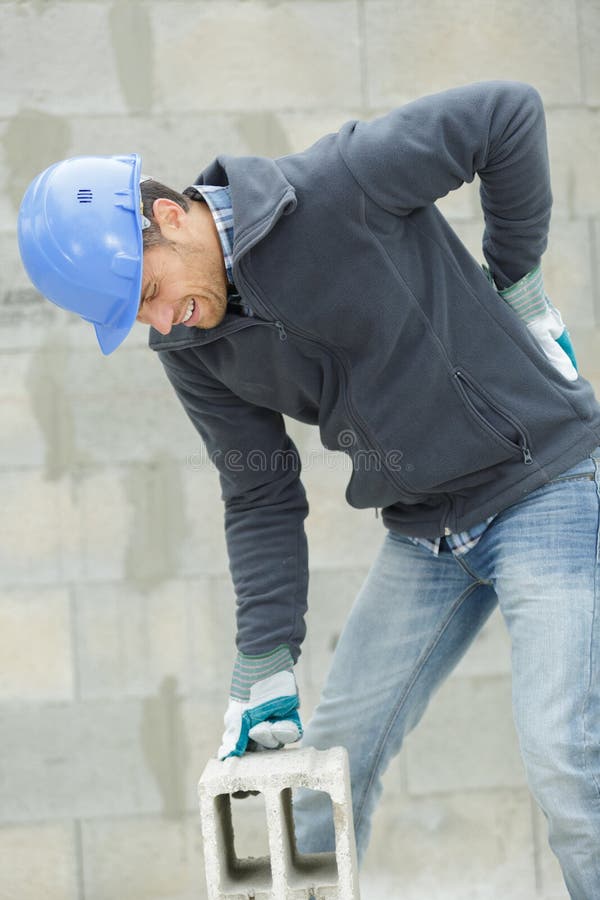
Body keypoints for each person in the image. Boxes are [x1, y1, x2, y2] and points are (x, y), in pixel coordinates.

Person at [17, 81, 600, 898]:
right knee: (322, 788)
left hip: (540, 483)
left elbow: (508, 115)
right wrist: (265, 659)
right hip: (428, 533)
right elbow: (258, 491)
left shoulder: (339, 185)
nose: (162, 323)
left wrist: (517, 279)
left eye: (147, 293)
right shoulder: (193, 348)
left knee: (568, 766)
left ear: (170, 218)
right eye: (137, 318)